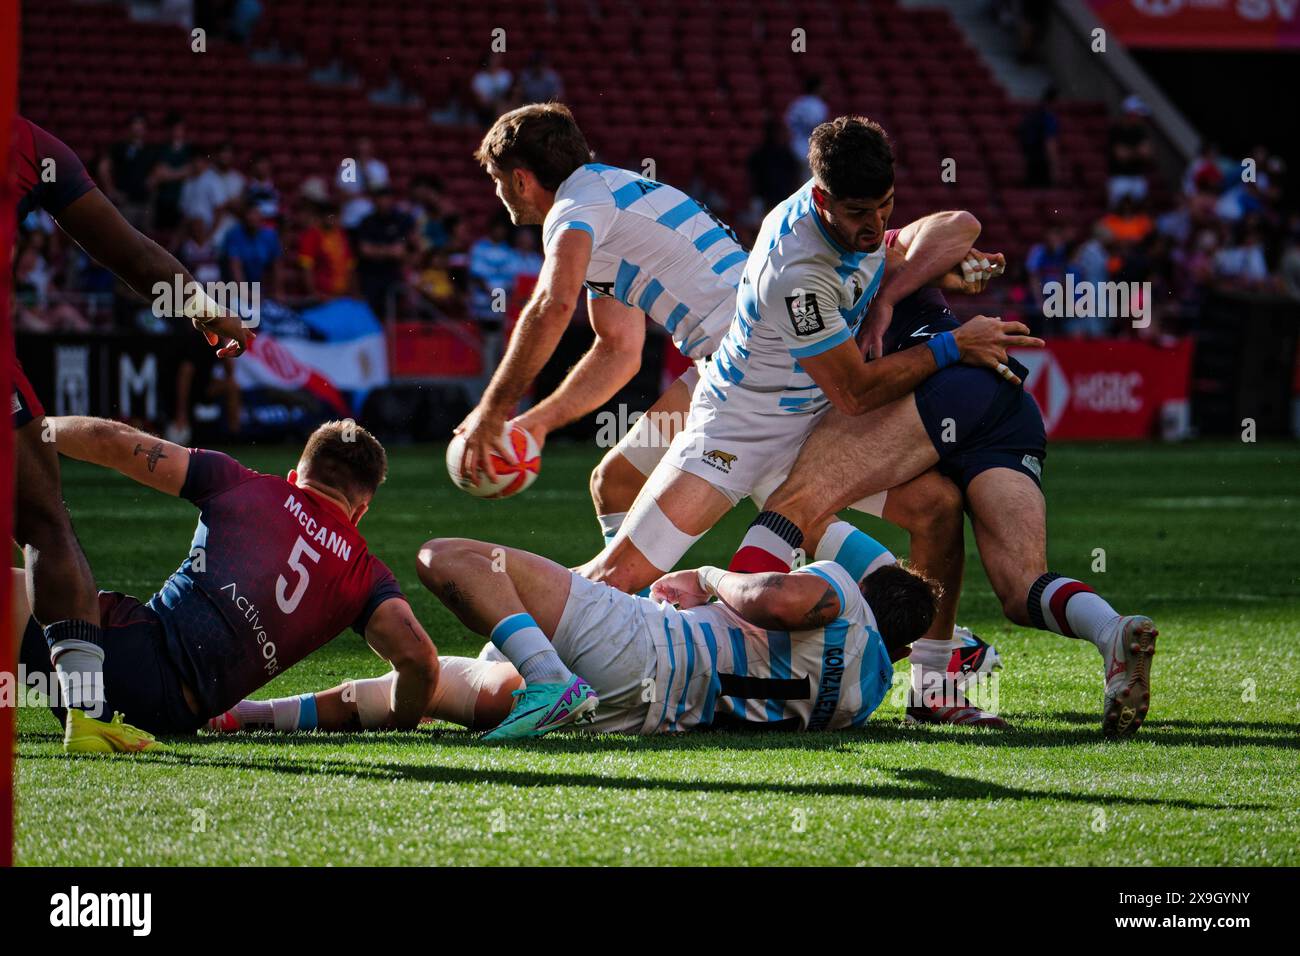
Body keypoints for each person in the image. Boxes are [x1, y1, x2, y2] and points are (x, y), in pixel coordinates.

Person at [576, 116, 1039, 598]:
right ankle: (513, 658)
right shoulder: (795, 270)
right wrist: (954, 344)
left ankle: (937, 663)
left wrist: (889, 296)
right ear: (821, 199)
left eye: (886, 206)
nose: (875, 225)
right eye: (861, 212)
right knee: (617, 576)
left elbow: (958, 226)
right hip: (741, 424)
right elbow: (857, 393)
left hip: (815, 414)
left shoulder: (848, 208)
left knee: (936, 508)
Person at [725, 286, 1159, 737]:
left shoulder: (829, 262)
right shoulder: (867, 257)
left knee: (792, 499)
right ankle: (1110, 630)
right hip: (1000, 395)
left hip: (939, 383)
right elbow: (949, 231)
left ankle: (728, 632)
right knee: (1015, 580)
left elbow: (948, 229)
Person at [10, 115, 252, 752]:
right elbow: (129, 252)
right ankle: (87, 717)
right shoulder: (26, 143)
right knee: (42, 524)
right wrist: (202, 309)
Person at [211, 533, 938, 738]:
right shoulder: (863, 696)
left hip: (647, 647)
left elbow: (777, 597)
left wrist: (710, 575)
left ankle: (550, 679)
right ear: (901, 650)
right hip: (645, 711)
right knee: (430, 689)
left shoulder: (846, 597)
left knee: (451, 558)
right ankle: (242, 715)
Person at [16, 418, 440, 749]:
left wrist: (33, 433)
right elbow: (419, 660)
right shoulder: (363, 574)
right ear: (360, 511)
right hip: (178, 717)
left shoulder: (242, 485)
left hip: (124, 659)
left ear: (295, 476)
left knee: (32, 577)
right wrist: (399, 722)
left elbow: (111, 440)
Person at [354, 184, 414, 318]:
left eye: (386, 198)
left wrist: (377, 250)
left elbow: (401, 251)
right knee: (371, 316)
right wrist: (389, 251)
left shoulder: (400, 221)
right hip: (371, 278)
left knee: (394, 316)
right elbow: (365, 250)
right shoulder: (367, 222)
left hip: (392, 277)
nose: (383, 202)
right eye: (380, 198)